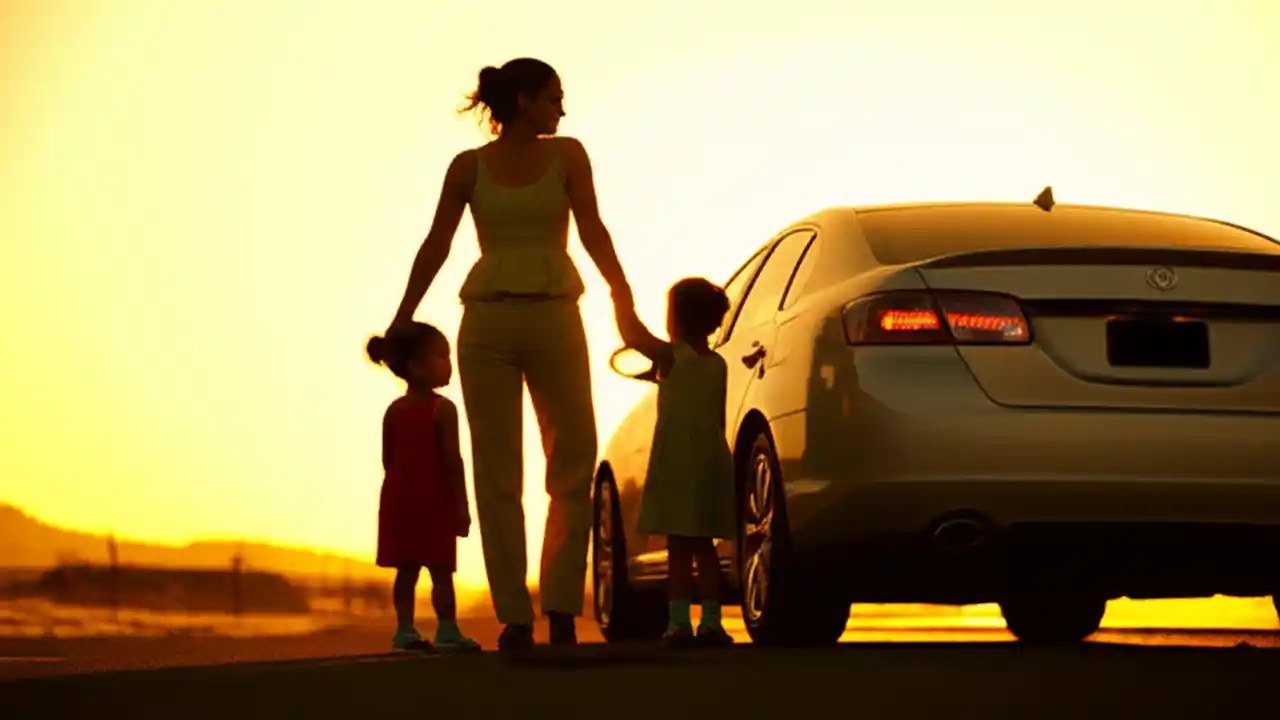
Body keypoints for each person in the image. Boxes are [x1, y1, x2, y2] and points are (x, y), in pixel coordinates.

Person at [386, 58, 634, 652]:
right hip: (488, 325)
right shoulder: (468, 168)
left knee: (572, 464)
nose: (562, 108)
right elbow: (437, 244)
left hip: (556, 314)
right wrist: (402, 314)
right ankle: (515, 618)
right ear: (523, 100)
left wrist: (624, 304)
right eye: (554, 96)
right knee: (498, 474)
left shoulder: (569, 155)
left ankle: (561, 608)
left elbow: (594, 231)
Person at [614, 278, 737, 648]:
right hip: (710, 459)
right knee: (705, 545)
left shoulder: (670, 357)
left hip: (678, 462)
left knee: (679, 547)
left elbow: (633, 335)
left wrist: (620, 295)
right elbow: (717, 418)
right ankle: (713, 623)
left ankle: (679, 622)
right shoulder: (718, 364)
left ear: (676, 320)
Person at [367, 323, 481, 653]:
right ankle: (446, 629)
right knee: (440, 571)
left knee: (407, 570)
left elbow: (388, 460)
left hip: (400, 500)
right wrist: (461, 506)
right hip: (435, 502)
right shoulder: (442, 409)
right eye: (441, 356)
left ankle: (405, 630)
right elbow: (452, 461)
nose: (449, 363)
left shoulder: (395, 411)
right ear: (416, 367)